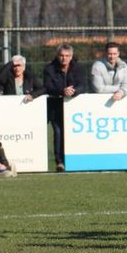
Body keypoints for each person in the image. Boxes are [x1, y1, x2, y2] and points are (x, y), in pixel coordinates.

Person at [35, 44, 85, 172]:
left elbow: (82, 85)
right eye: (61, 55)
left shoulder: (78, 68)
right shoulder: (49, 69)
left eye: (67, 56)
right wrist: (62, 91)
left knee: (71, 134)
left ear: (71, 56)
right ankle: (60, 162)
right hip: (55, 106)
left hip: (74, 108)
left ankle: (75, 160)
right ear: (57, 56)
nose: (64, 58)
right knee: (58, 132)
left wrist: (73, 91)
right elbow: (48, 87)